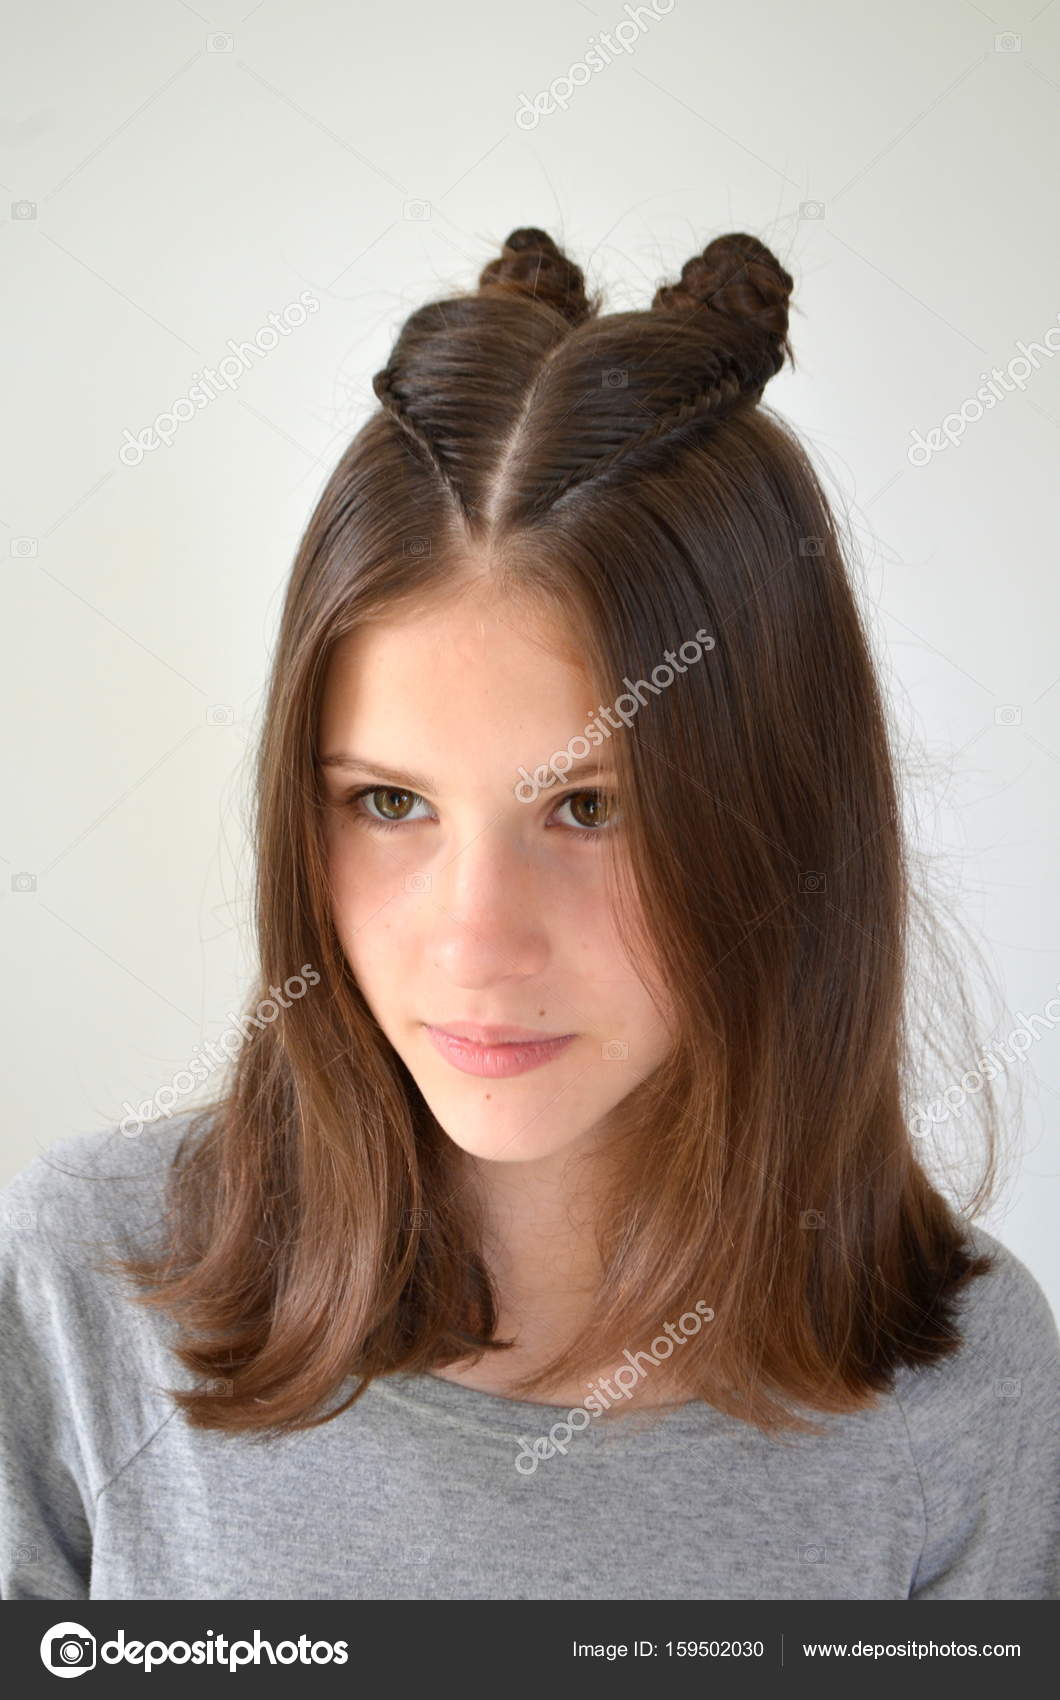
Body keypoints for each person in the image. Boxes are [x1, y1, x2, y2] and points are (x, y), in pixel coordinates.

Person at [2, 228, 1058, 1602]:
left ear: (789, 820)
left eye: (589, 808)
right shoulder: (88, 1288)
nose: (473, 945)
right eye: (390, 803)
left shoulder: (963, 1388)